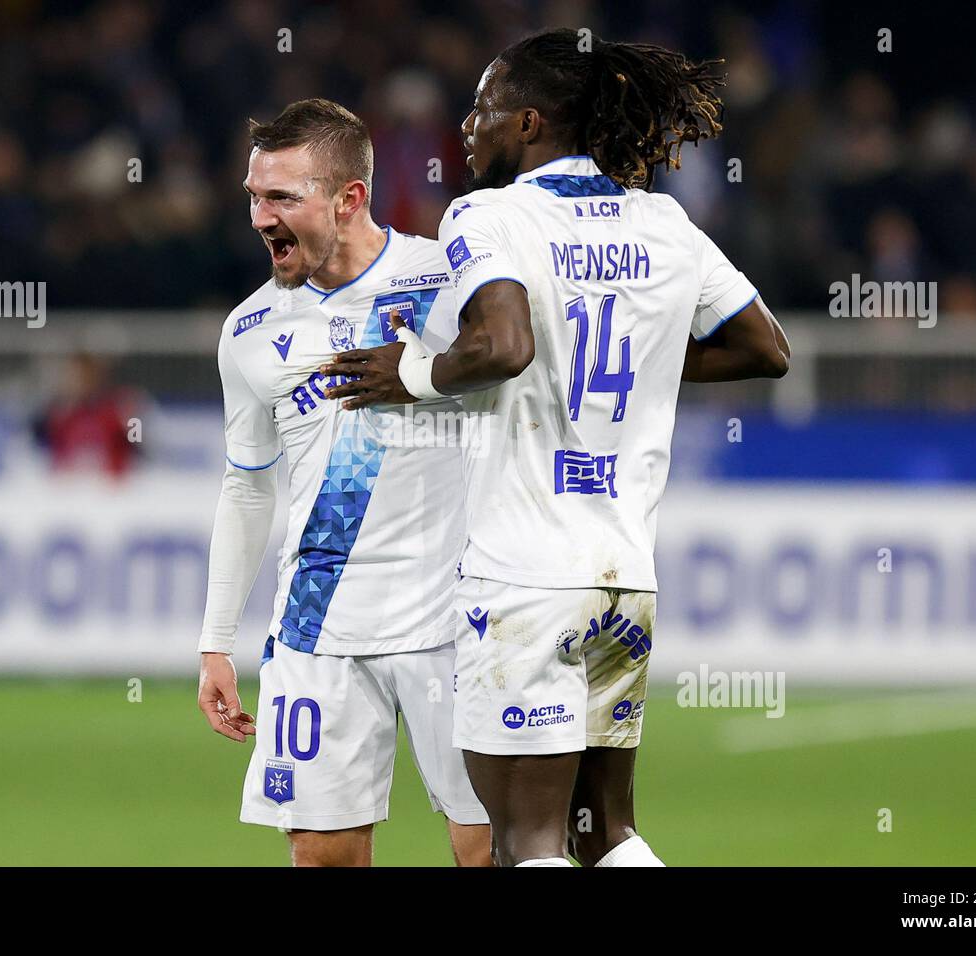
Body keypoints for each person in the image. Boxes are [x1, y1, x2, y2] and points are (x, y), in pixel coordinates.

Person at [321, 30, 791, 867]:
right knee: (608, 835)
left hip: (523, 576)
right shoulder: (662, 220)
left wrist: (413, 373)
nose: (467, 126)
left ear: (530, 122)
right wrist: (643, 365)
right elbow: (766, 348)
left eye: (484, 107)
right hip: (624, 576)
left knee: (525, 841)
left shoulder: (490, 214)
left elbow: (503, 346)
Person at [195, 98, 490, 867]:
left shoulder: (448, 281)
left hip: (458, 616)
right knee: (323, 857)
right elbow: (248, 484)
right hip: (318, 628)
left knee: (493, 849)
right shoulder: (249, 331)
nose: (260, 216)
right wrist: (215, 642)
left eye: (282, 197)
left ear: (349, 197)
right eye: (254, 196)